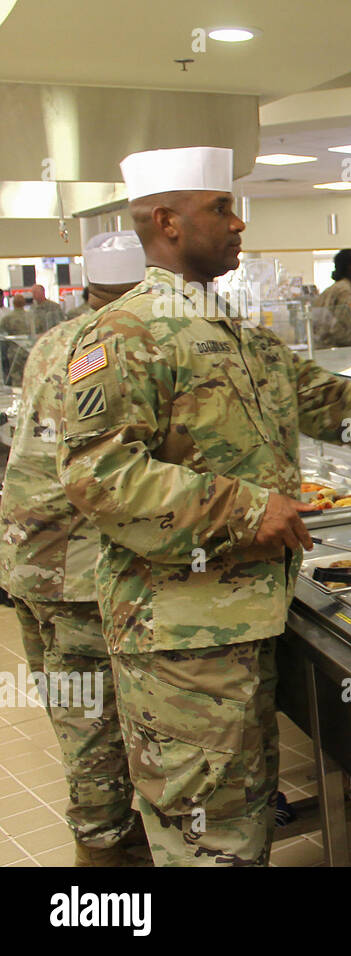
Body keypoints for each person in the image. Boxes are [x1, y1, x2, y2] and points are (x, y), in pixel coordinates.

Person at [56, 146, 351, 866]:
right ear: (167, 222)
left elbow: (345, 407)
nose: (239, 222)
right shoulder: (121, 333)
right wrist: (247, 509)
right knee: (207, 842)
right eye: (221, 208)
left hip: (244, 622)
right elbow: (98, 474)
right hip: (181, 643)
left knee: (239, 828)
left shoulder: (243, 339)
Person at [0, 232, 149, 867]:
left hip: (28, 561)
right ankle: (105, 856)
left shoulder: (54, 340)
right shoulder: (115, 347)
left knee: (72, 706)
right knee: (90, 718)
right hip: (73, 570)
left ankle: (109, 836)